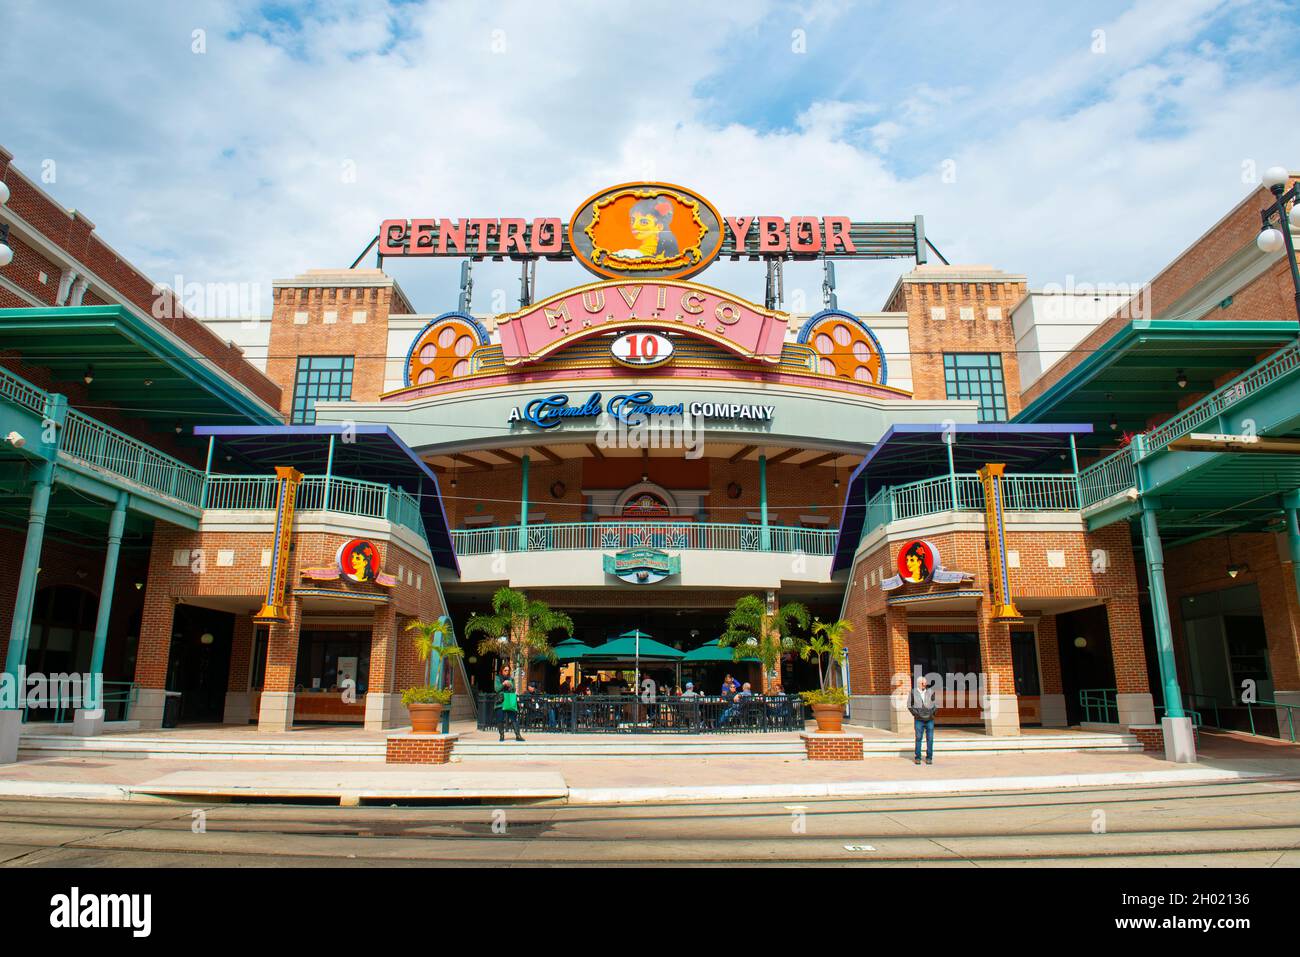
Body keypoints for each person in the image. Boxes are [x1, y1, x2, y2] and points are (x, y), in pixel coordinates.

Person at [908, 675, 938, 765]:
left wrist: (933, 713)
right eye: (922, 683)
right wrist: (916, 714)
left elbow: (935, 704)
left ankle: (929, 757)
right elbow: (909, 705)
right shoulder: (913, 692)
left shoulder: (931, 692)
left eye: (925, 683)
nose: (924, 685)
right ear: (918, 684)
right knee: (918, 738)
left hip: (930, 719)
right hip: (918, 720)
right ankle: (917, 757)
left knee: (930, 739)